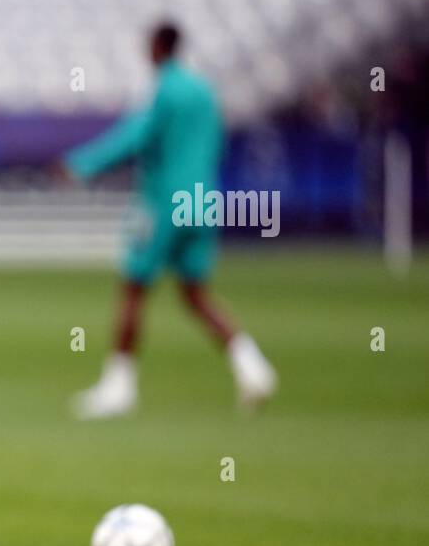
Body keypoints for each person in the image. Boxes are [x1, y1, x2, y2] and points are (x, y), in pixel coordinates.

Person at [61, 22, 276, 418]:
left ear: (159, 47)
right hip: (202, 199)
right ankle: (252, 366)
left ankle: (118, 386)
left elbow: (136, 136)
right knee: (196, 294)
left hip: (164, 203)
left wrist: (81, 165)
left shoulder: (166, 91)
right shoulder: (205, 92)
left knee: (133, 288)